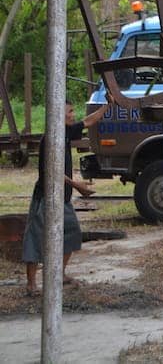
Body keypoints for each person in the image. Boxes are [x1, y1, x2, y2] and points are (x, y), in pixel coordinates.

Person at [23, 100, 109, 296]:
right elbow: (52, 170)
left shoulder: (67, 132)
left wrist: (107, 106)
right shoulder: (50, 139)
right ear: (59, 115)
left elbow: (88, 121)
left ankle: (59, 275)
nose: (73, 114)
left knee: (71, 235)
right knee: (36, 240)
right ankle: (31, 285)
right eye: (70, 112)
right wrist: (78, 185)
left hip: (63, 199)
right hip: (46, 198)